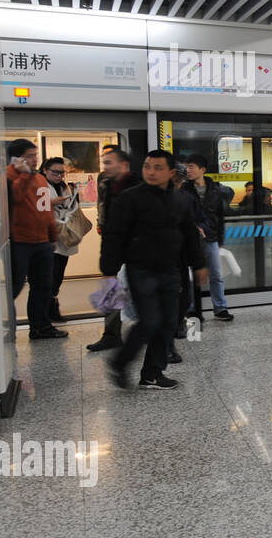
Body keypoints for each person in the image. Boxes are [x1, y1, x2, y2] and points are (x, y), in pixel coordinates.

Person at [101, 151, 206, 390]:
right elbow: (114, 235)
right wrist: (109, 270)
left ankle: (152, 374)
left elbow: (190, 235)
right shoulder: (129, 199)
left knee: (169, 322)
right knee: (150, 321)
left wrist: (198, 264)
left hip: (171, 271)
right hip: (141, 270)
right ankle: (120, 362)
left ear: (171, 173)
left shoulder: (180, 200)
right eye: (147, 166)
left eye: (158, 167)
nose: (151, 172)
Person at [6, 139, 65, 340]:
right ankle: (7, 329)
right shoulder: (8, 176)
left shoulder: (40, 179)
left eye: (35, 155)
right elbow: (14, 197)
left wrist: (52, 235)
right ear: (17, 157)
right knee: (14, 287)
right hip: (19, 242)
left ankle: (41, 326)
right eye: (30, 155)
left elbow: (45, 210)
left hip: (42, 242)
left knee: (43, 286)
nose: (34, 159)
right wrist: (23, 174)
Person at [86, 147, 141, 351]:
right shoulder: (108, 185)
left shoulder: (139, 186)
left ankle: (163, 341)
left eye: (109, 162)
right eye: (104, 162)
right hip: (113, 247)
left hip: (136, 250)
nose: (105, 167)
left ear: (123, 165)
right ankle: (111, 334)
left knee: (144, 294)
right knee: (110, 290)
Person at [181, 154, 234, 322]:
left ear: (202, 170)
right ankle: (191, 309)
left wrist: (220, 240)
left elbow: (220, 217)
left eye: (191, 167)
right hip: (190, 239)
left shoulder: (215, 190)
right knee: (190, 276)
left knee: (216, 274)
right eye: (186, 167)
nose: (187, 170)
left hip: (211, 238)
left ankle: (220, 308)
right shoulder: (183, 190)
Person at [42, 157, 81, 322]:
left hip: (63, 233)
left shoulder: (64, 186)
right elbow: (37, 208)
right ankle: (47, 313)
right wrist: (52, 203)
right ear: (45, 170)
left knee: (58, 273)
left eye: (61, 172)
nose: (59, 176)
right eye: (55, 172)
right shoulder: (40, 186)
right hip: (48, 236)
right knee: (48, 275)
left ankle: (52, 308)